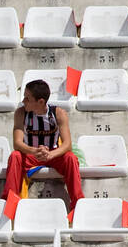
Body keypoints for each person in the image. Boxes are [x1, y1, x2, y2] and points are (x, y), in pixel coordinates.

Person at [5, 79, 84, 209]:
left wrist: (51, 154)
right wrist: (34, 151)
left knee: (71, 158)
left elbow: (67, 145)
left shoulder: (58, 113)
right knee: (15, 156)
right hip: (31, 155)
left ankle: (77, 204)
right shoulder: (21, 113)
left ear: (40, 102)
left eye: (27, 98)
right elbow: (17, 144)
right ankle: (9, 203)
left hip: (53, 155)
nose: (23, 101)